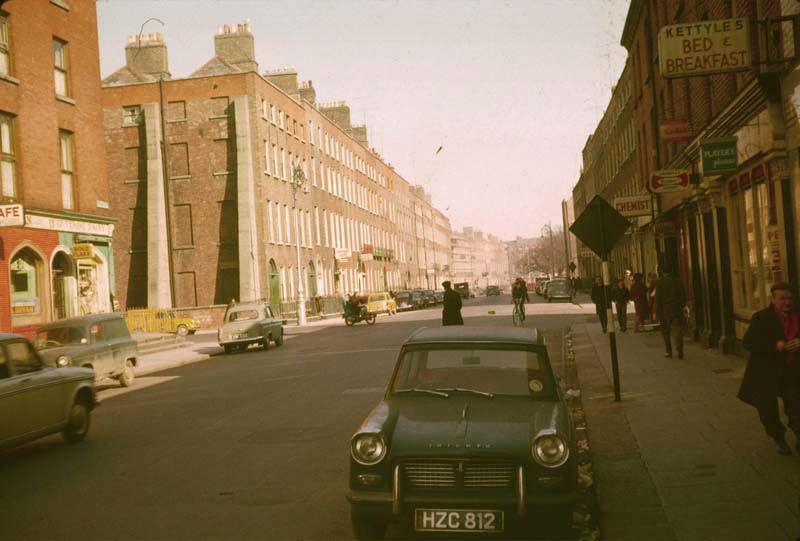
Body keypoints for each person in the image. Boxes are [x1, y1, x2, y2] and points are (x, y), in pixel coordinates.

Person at [738, 282, 800, 455]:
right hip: (767, 373)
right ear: (772, 299)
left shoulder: (798, 316)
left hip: (792, 371)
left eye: (790, 299)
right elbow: (748, 342)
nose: (787, 303)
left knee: (796, 407)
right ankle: (779, 439)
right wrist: (775, 345)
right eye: (782, 299)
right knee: (768, 411)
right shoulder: (762, 317)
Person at [653, 266, 686, 359]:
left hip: (665, 311)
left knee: (665, 331)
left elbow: (657, 297)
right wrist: (681, 306)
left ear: (662, 272)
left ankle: (668, 351)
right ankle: (679, 347)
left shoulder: (660, 282)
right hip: (677, 309)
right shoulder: (678, 281)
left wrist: (655, 311)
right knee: (678, 329)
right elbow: (683, 296)